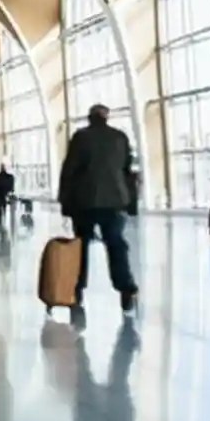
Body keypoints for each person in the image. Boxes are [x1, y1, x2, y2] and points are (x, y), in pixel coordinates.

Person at [58, 104, 139, 312]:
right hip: (114, 202)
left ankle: (77, 289)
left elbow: (69, 171)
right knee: (116, 244)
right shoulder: (120, 137)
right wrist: (131, 203)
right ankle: (126, 288)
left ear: (89, 117)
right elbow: (128, 171)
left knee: (81, 246)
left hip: (84, 202)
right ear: (107, 117)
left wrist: (65, 203)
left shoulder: (80, 137)